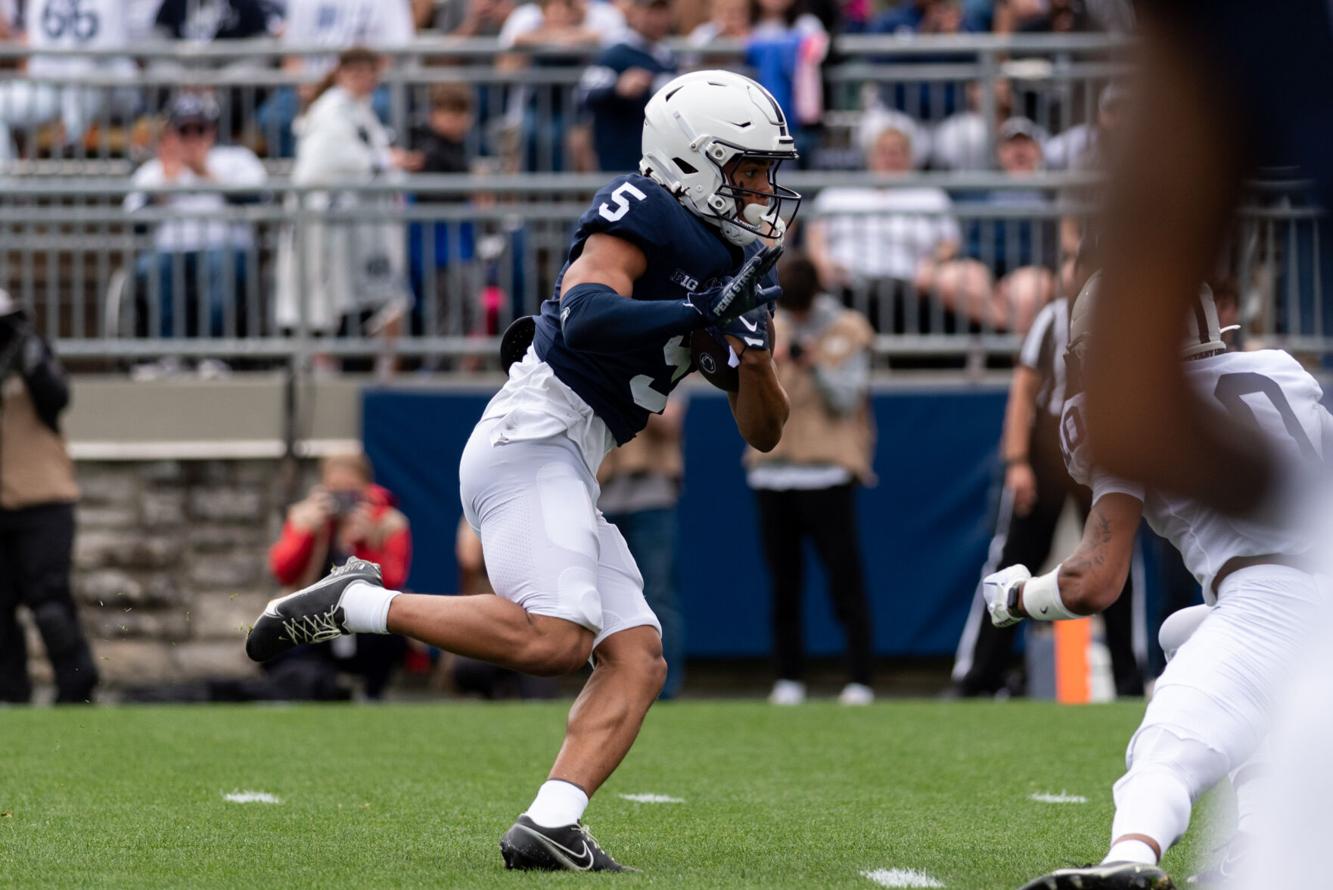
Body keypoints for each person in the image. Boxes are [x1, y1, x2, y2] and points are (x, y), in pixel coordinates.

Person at [245, 69, 798, 872]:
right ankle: (358, 603)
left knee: (637, 655)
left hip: (574, 458)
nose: (760, 188)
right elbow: (582, 314)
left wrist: (752, 358)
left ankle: (552, 824)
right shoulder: (642, 211)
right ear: (694, 162)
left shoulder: (736, 272)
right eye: (746, 169)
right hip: (530, 436)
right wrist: (698, 314)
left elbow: (765, 431)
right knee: (554, 639)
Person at [983, 276, 1332, 890]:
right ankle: (1253, 838)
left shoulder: (1131, 417)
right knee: (1182, 632)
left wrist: (1017, 597)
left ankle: (1130, 861)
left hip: (1273, 602)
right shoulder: (1283, 370)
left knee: (1165, 746)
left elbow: (1095, 580)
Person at [950, 246, 1143, 699]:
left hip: (1103, 460)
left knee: (1116, 566)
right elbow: (1024, 390)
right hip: (1049, 456)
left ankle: (1129, 683)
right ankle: (979, 677)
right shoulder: (1055, 318)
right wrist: (1018, 462)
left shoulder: (1130, 325)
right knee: (1012, 558)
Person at [745, 254, 876, 707]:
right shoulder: (761, 323)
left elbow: (845, 399)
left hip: (828, 471)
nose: (795, 317)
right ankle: (788, 678)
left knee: (845, 579)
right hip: (773, 474)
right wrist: (767, 362)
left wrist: (815, 361)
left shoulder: (849, 327)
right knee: (784, 584)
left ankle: (859, 678)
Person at [274, 48, 416, 376]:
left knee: (380, 298)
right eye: (356, 71)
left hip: (358, 227)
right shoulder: (331, 109)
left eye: (370, 71)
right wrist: (383, 161)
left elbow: (374, 154)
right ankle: (320, 371)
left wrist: (388, 161)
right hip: (324, 223)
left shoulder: (361, 110)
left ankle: (383, 372)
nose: (364, 78)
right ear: (341, 73)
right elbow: (327, 160)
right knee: (321, 299)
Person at [0, 291, 97, 704]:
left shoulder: (34, 357)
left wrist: (28, 359)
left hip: (45, 500)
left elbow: (57, 400)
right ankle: (10, 695)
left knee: (50, 603)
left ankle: (76, 688)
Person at [124, 93, 267, 351]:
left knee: (219, 264)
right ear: (171, 134)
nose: (191, 138)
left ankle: (214, 352)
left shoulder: (236, 160)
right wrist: (163, 189)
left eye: (199, 130)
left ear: (211, 131)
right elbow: (135, 223)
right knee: (156, 267)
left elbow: (259, 201)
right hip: (167, 251)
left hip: (225, 248)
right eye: (183, 131)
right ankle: (166, 353)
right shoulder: (154, 171)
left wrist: (208, 174)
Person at [268, 451, 412, 699]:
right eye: (336, 491)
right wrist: (308, 534)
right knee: (273, 633)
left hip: (366, 624)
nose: (343, 501)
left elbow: (393, 582)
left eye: (351, 492)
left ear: (367, 489)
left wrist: (367, 543)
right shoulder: (307, 517)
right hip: (316, 620)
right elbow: (283, 572)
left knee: (395, 630)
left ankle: (371, 691)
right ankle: (322, 687)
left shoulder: (388, 523)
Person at [804, 118, 962, 332]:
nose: (890, 158)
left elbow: (950, 242)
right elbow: (815, 237)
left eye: (897, 152)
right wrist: (823, 264)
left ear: (911, 157)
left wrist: (932, 264)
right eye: (884, 151)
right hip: (846, 284)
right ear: (870, 156)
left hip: (909, 286)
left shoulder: (931, 196)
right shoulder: (838, 193)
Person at [932, 117, 1056, 336]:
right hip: (982, 267)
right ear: (999, 153)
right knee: (949, 280)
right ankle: (1002, 328)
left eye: (1026, 144)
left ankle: (1018, 362)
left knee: (1027, 293)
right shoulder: (980, 191)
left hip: (1030, 267)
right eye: (1011, 145)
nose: (1019, 151)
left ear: (1039, 151)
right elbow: (964, 240)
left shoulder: (1052, 193)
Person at [597, 398, 686, 700]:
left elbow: (670, 424)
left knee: (657, 593)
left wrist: (625, 387)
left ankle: (664, 688)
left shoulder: (661, 361)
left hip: (651, 497)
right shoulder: (587, 361)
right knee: (602, 599)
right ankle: (609, 687)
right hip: (601, 495)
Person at [257, 0, 415, 157]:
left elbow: (393, 53)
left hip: (368, 87)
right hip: (309, 86)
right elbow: (291, 55)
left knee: (378, 108)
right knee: (272, 117)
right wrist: (305, 85)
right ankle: (297, 173)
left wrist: (354, 83)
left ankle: (370, 171)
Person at [0, 0, 136, 159]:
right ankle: (6, 181)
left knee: (82, 88)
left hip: (104, 86)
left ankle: (70, 153)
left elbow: (109, 52)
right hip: (49, 86)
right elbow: (33, 52)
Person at [578, 0, 677, 174]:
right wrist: (617, 89)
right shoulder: (614, 55)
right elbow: (584, 94)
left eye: (663, 12)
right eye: (651, 12)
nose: (658, 20)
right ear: (633, 14)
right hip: (619, 159)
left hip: (656, 159)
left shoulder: (666, 56)